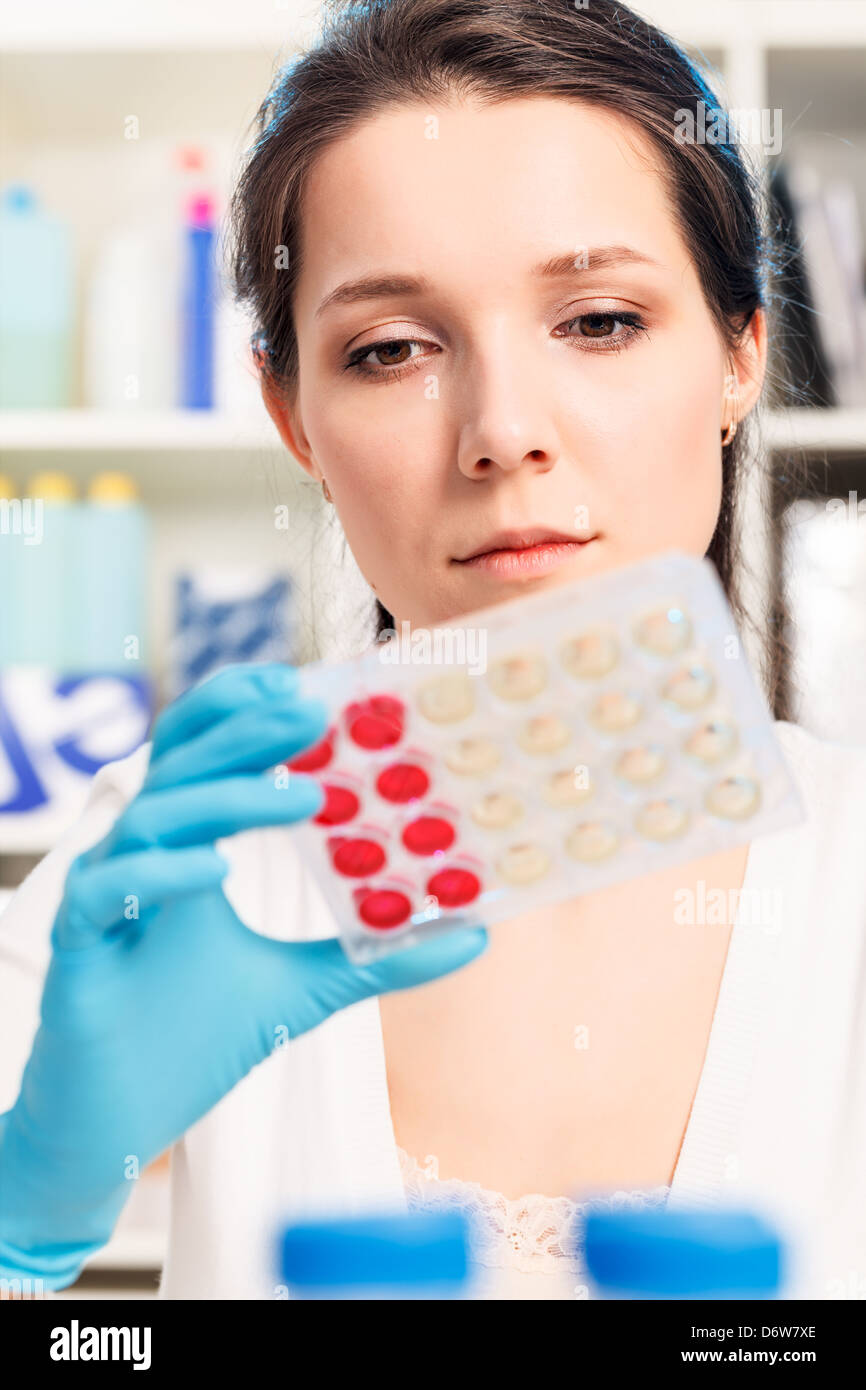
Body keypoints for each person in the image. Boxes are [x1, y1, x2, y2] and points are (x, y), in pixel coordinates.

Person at [2, 0, 865, 1301]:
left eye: (597, 320)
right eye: (390, 347)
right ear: (293, 415)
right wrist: (35, 1187)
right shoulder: (188, 861)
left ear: (740, 354)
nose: (501, 429)